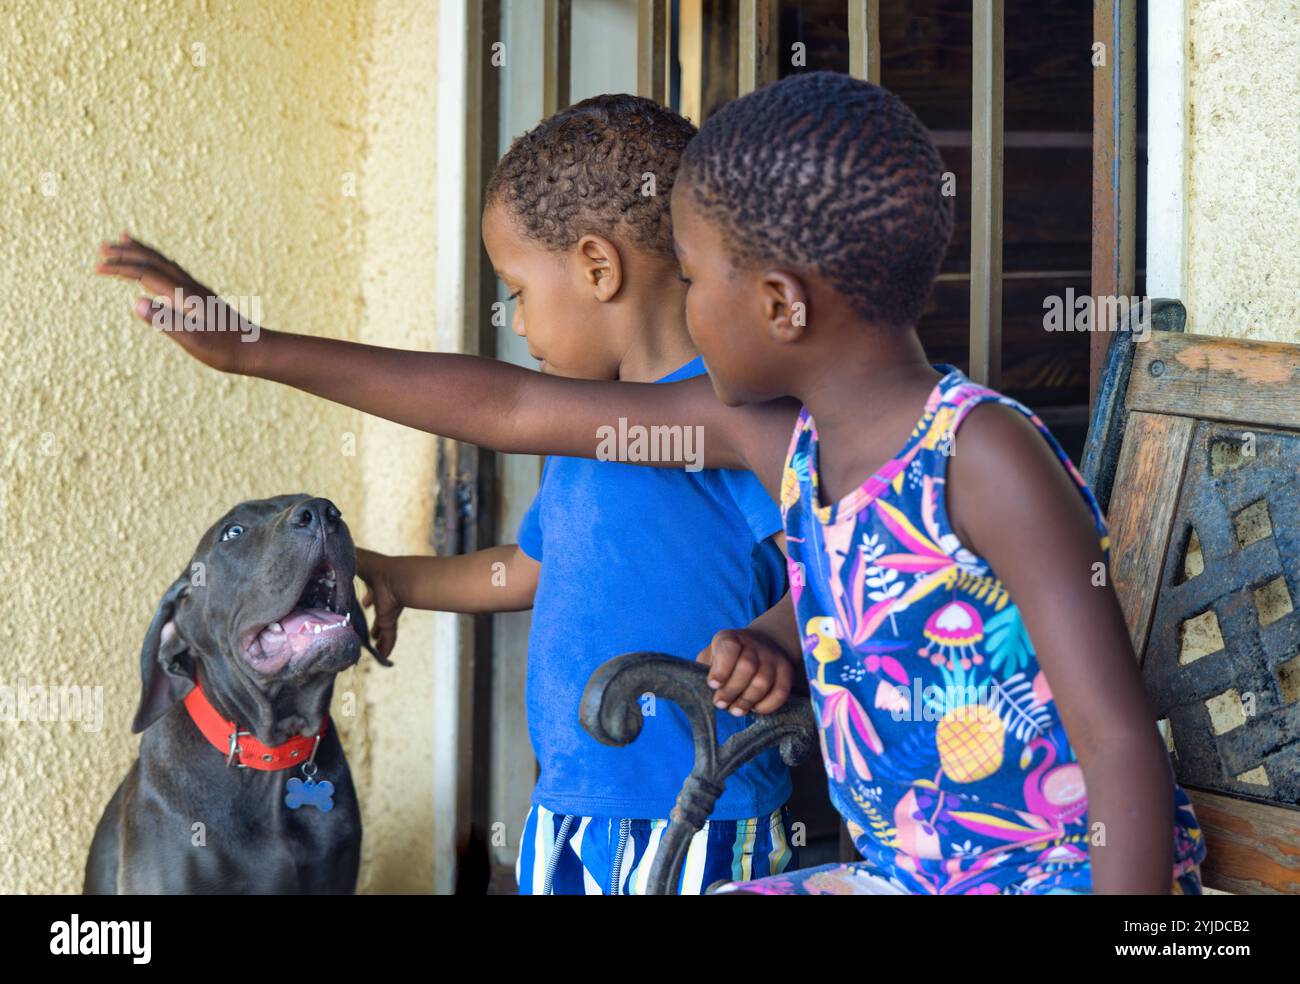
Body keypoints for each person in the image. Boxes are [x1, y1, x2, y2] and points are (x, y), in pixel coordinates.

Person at [96, 95, 802, 896]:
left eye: (519, 293)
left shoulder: (733, 421)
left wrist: (774, 637)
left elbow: (833, 562)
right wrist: (404, 576)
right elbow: (527, 569)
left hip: (705, 812)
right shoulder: (589, 435)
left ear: (598, 268)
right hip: (570, 811)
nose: (519, 325)